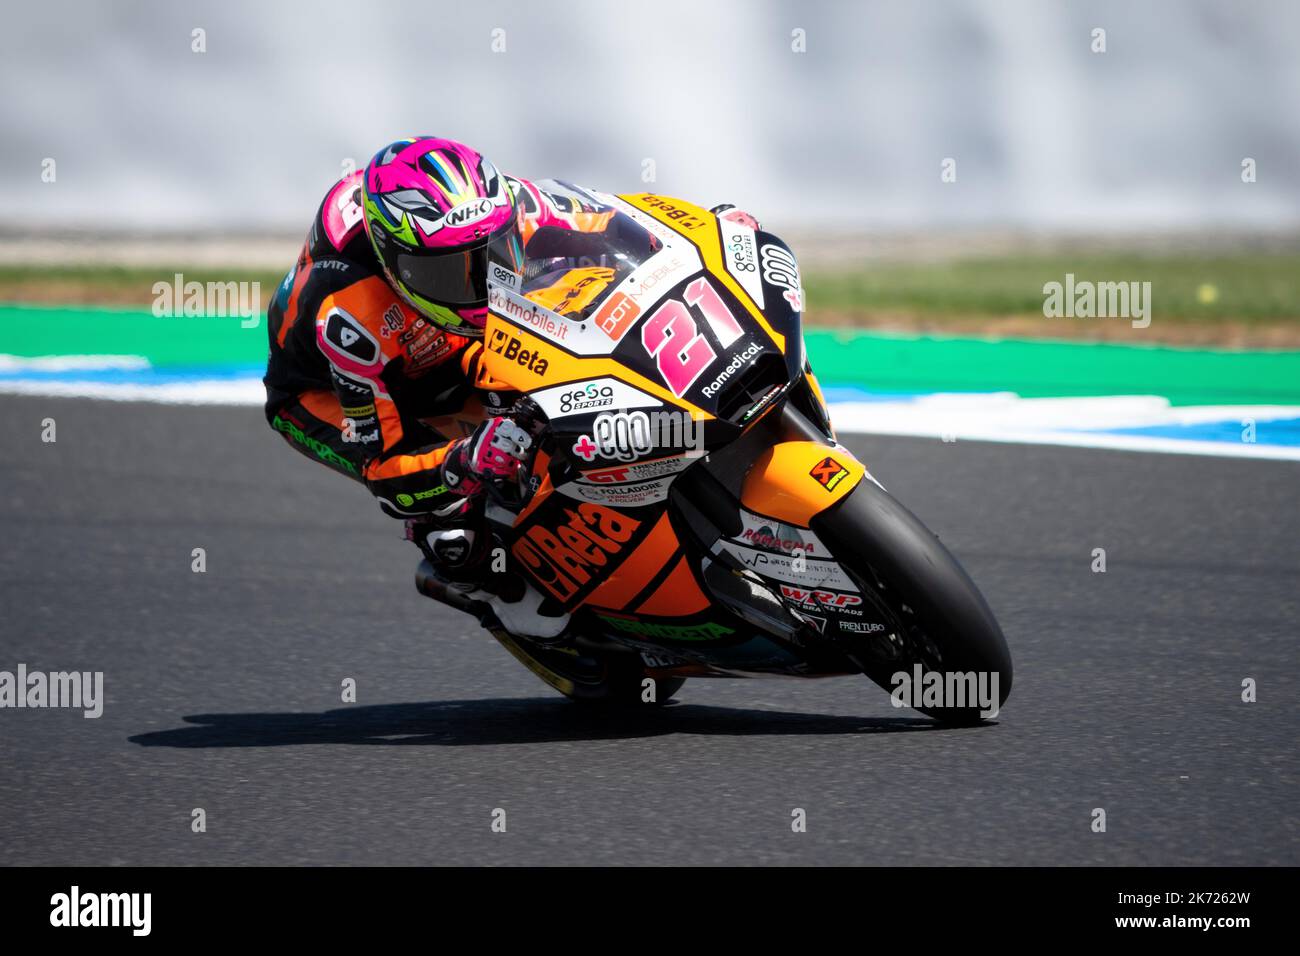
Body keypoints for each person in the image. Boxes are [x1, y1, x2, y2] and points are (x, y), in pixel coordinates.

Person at [263, 136, 758, 638]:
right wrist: (464, 460)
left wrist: (704, 229)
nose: (476, 280)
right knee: (450, 519)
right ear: (395, 262)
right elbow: (385, 466)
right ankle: (487, 583)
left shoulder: (509, 206)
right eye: (447, 270)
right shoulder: (348, 314)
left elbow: (615, 218)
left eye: (487, 253)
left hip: (453, 343)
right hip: (329, 393)